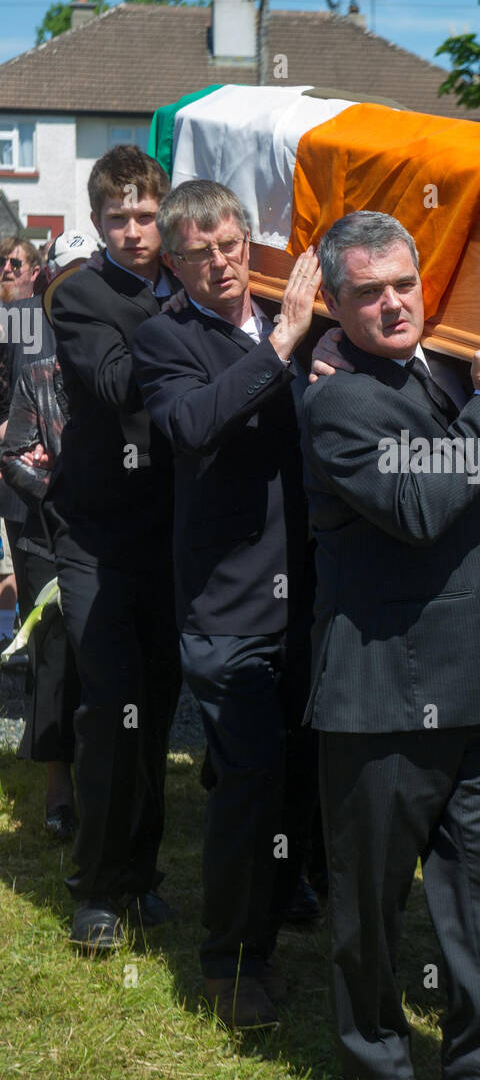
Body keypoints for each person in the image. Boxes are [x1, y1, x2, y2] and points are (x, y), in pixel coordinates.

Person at [302, 209, 480, 1080]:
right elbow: (416, 500)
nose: (394, 303)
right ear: (336, 303)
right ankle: (380, 1068)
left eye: (404, 283)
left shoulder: (446, 367)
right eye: (367, 293)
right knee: (369, 905)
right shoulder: (336, 399)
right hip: (381, 693)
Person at [131, 180, 318, 1030]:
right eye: (200, 252)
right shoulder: (163, 336)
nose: (221, 262)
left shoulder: (295, 313)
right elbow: (193, 424)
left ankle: (267, 936)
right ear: (173, 261)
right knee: (246, 783)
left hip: (313, 596)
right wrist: (278, 345)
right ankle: (227, 962)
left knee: (291, 782)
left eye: (232, 243)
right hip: (228, 604)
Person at [43, 145, 183, 952]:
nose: (135, 232)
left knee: (156, 708)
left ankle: (141, 872)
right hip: (95, 535)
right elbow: (117, 384)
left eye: (145, 216)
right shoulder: (79, 296)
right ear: (96, 223)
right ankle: (95, 889)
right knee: (109, 709)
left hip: (172, 534)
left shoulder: (190, 285)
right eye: (119, 218)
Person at [0, 233, 95, 839]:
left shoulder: (123, 325)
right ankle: (59, 780)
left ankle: (104, 772)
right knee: (53, 644)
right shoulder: (20, 323)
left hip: (108, 516)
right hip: (36, 504)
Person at [0, 236, 43, 644]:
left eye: (16, 263)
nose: (7, 269)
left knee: (25, 565)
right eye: (2, 263)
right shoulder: (9, 318)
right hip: (8, 458)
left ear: (35, 271)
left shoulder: (32, 317)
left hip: (34, 464)